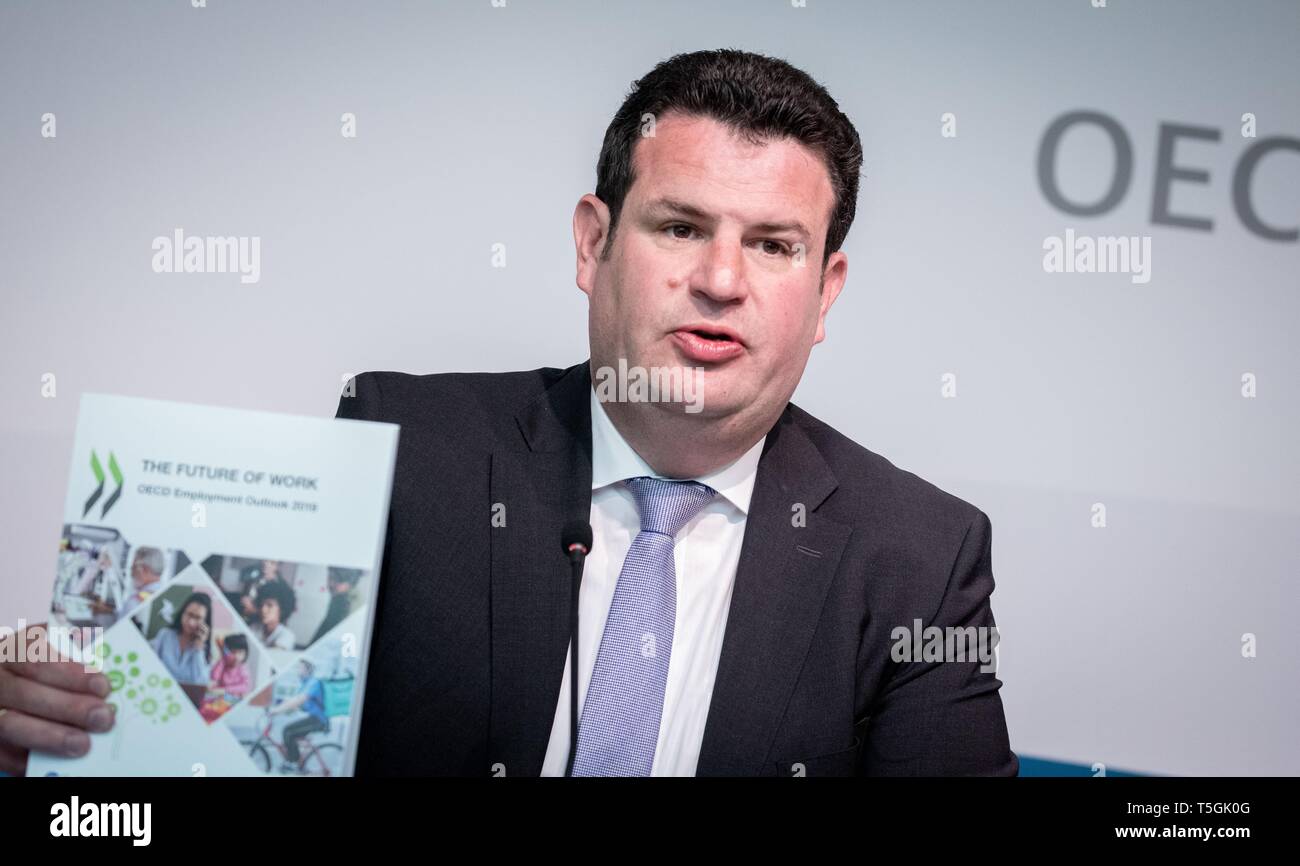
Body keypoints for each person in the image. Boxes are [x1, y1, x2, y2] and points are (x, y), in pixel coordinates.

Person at [0, 49, 1016, 778]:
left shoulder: (920, 555)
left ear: (825, 290)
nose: (719, 278)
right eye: (680, 225)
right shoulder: (402, 452)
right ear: (592, 243)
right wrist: (61, 719)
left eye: (773, 245)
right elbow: (198, 737)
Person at [269, 659, 329, 772]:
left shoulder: (313, 682)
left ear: (307, 669)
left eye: (299, 667)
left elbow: (299, 700)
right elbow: (293, 701)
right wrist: (279, 706)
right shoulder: (305, 683)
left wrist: (276, 710)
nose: (297, 670)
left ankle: (294, 763)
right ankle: (294, 761)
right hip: (313, 718)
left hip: (319, 720)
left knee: (288, 731)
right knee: (289, 731)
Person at [148, 592, 212, 686]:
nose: (191, 622)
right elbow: (150, 665)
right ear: (182, 613)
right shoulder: (165, 635)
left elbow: (200, 682)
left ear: (205, 622)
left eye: (198, 618)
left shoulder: (205, 649)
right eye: (189, 614)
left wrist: (199, 647)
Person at [307, 567, 362, 645]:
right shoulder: (340, 597)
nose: (330, 584)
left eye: (338, 580)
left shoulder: (347, 602)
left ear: (349, 583)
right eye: (330, 578)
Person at [252, 580, 297, 651]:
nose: (263, 610)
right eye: (261, 605)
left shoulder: (287, 635)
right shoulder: (254, 628)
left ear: (282, 609)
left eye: (269, 605)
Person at [209, 634, 253, 699]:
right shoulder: (223, 664)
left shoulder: (242, 668)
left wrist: (225, 690)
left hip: (236, 699)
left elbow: (245, 686)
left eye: (240, 652)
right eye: (233, 652)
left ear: (245, 653)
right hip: (220, 699)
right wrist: (223, 659)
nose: (236, 656)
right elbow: (214, 677)